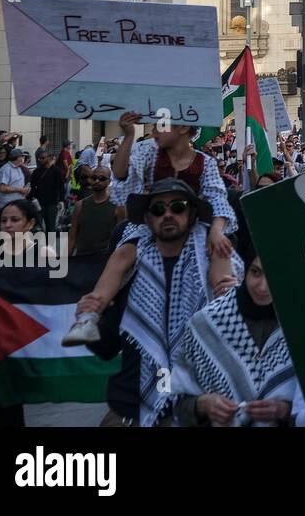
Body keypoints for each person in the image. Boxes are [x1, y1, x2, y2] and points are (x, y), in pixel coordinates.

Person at [64, 112, 237, 346]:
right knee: (122, 254)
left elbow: (217, 199)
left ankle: (227, 307)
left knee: (220, 251)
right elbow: (123, 175)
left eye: (159, 127)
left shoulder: (204, 162)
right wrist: (128, 136)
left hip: (193, 224)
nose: (153, 132)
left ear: (183, 128)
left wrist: (216, 230)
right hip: (155, 223)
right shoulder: (149, 154)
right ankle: (90, 315)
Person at [97, 178, 242, 426]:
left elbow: (247, 335)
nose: (167, 214)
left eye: (177, 207)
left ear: (192, 212)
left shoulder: (219, 266)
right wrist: (96, 312)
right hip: (134, 407)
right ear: (148, 218)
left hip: (200, 406)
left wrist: (240, 301)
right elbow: (105, 346)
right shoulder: (129, 273)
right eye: (157, 209)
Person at [171, 238, 300, 427]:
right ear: (246, 268)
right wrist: (203, 404)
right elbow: (175, 400)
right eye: (256, 272)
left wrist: (285, 410)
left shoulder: (299, 327)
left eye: (274, 275)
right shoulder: (207, 323)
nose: (263, 287)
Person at [69, 166, 126, 256]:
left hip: (104, 260)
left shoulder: (118, 207)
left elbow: (121, 239)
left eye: (102, 178)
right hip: (81, 258)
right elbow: (72, 236)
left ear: (109, 182)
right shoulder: (80, 205)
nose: (97, 181)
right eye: (94, 178)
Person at [28, 148, 65, 233]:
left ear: (48, 158)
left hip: (51, 203)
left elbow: (61, 186)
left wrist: (61, 200)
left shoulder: (56, 171)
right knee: (42, 227)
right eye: (39, 158)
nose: (40, 160)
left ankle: (50, 245)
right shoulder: (36, 172)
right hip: (39, 202)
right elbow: (33, 186)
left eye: (43, 158)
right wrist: (32, 198)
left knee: (51, 226)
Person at [0, 147, 30, 213]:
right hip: (7, 206)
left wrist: (25, 190)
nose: (23, 159)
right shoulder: (6, 169)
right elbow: (2, 188)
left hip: (19, 205)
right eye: (22, 156)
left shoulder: (19, 168)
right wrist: (20, 190)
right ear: (16, 157)